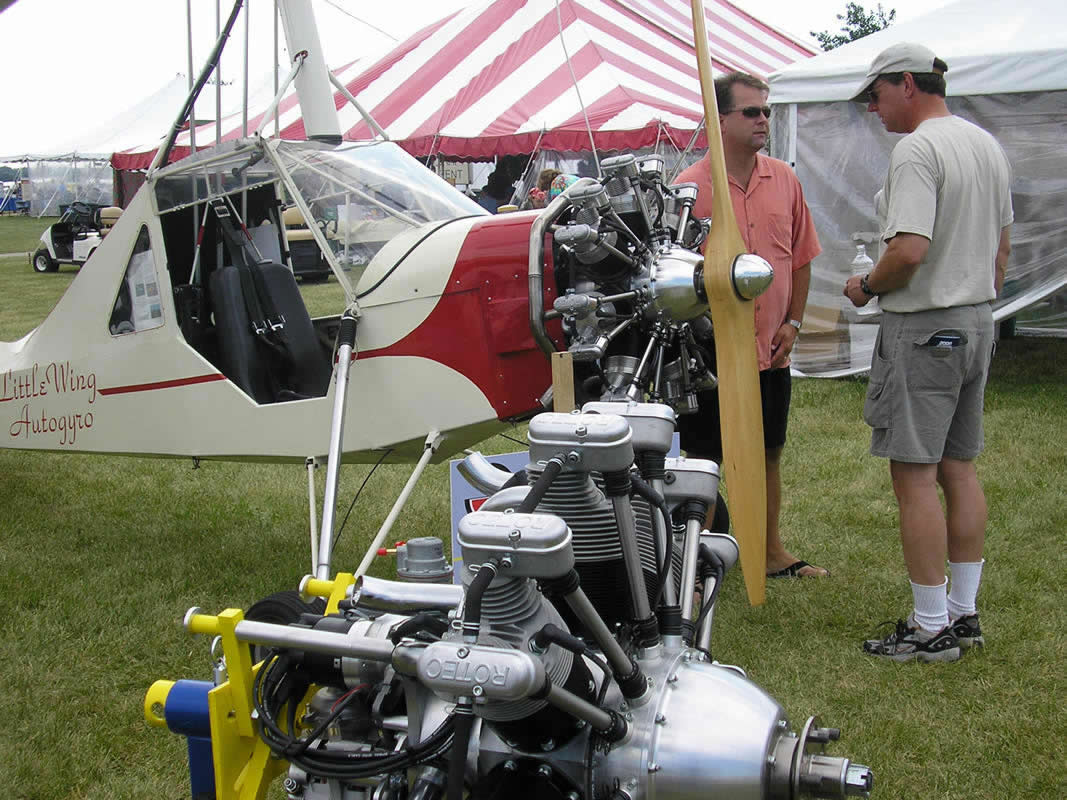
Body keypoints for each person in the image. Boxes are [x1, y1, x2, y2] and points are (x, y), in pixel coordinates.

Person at [843, 43, 1013, 662]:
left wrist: (866, 285)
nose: (872, 108)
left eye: (876, 95)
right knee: (959, 467)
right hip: (975, 319)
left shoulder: (917, 150)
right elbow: (1002, 248)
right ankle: (963, 615)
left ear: (906, 84)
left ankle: (929, 627)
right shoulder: (983, 143)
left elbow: (909, 249)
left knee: (913, 475)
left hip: (925, 327)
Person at [675, 71, 826, 579]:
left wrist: (795, 322)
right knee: (705, 459)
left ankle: (770, 552)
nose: (764, 120)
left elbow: (802, 256)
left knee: (767, 452)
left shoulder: (784, 179)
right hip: (709, 354)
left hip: (770, 349)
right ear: (720, 121)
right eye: (752, 112)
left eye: (767, 111)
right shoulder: (687, 190)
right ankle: (697, 565)